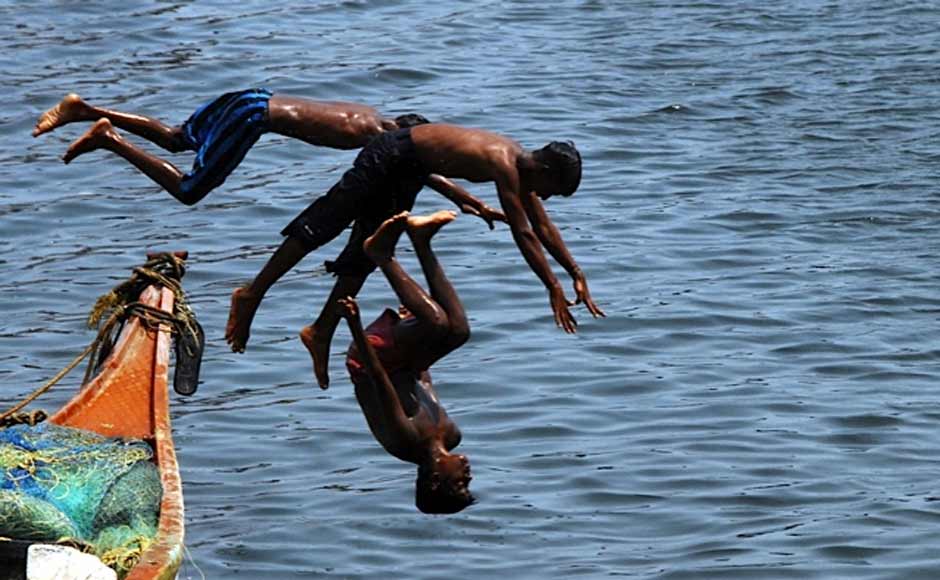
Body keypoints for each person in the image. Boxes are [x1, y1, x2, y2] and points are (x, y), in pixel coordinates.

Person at [226, 122, 603, 388]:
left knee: (370, 251)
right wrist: (551, 285)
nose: (548, 197)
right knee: (323, 224)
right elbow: (523, 232)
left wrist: (574, 272)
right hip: (391, 154)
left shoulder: (522, 171)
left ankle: (322, 329)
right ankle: (252, 292)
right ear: (546, 168)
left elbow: (543, 227)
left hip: (409, 169)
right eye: (554, 189)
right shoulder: (504, 161)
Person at [32, 88, 432, 205]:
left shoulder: (365, 111)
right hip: (251, 119)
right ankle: (109, 139)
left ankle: (83, 109)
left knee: (177, 139)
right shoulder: (374, 136)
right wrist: (464, 196)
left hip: (251, 97)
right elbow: (407, 164)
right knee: (189, 190)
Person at [338, 210, 473, 514]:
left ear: (435, 479)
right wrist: (415, 326)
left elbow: (378, 379)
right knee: (459, 331)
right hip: (404, 364)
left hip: (370, 360)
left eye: (461, 484)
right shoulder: (451, 435)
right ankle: (422, 242)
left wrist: (355, 325)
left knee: (437, 324)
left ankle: (382, 254)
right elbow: (424, 381)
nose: (469, 476)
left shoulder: (406, 440)